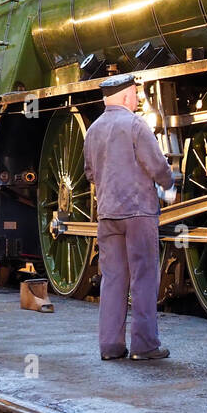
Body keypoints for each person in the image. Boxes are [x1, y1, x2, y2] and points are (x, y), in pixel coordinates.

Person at [83, 73, 175, 361]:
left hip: (107, 214)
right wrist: (170, 183)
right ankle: (144, 346)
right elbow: (157, 166)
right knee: (144, 277)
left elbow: (89, 173)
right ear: (125, 97)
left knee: (112, 278)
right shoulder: (136, 126)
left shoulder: (93, 130)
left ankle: (110, 346)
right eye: (136, 94)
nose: (138, 99)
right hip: (138, 213)